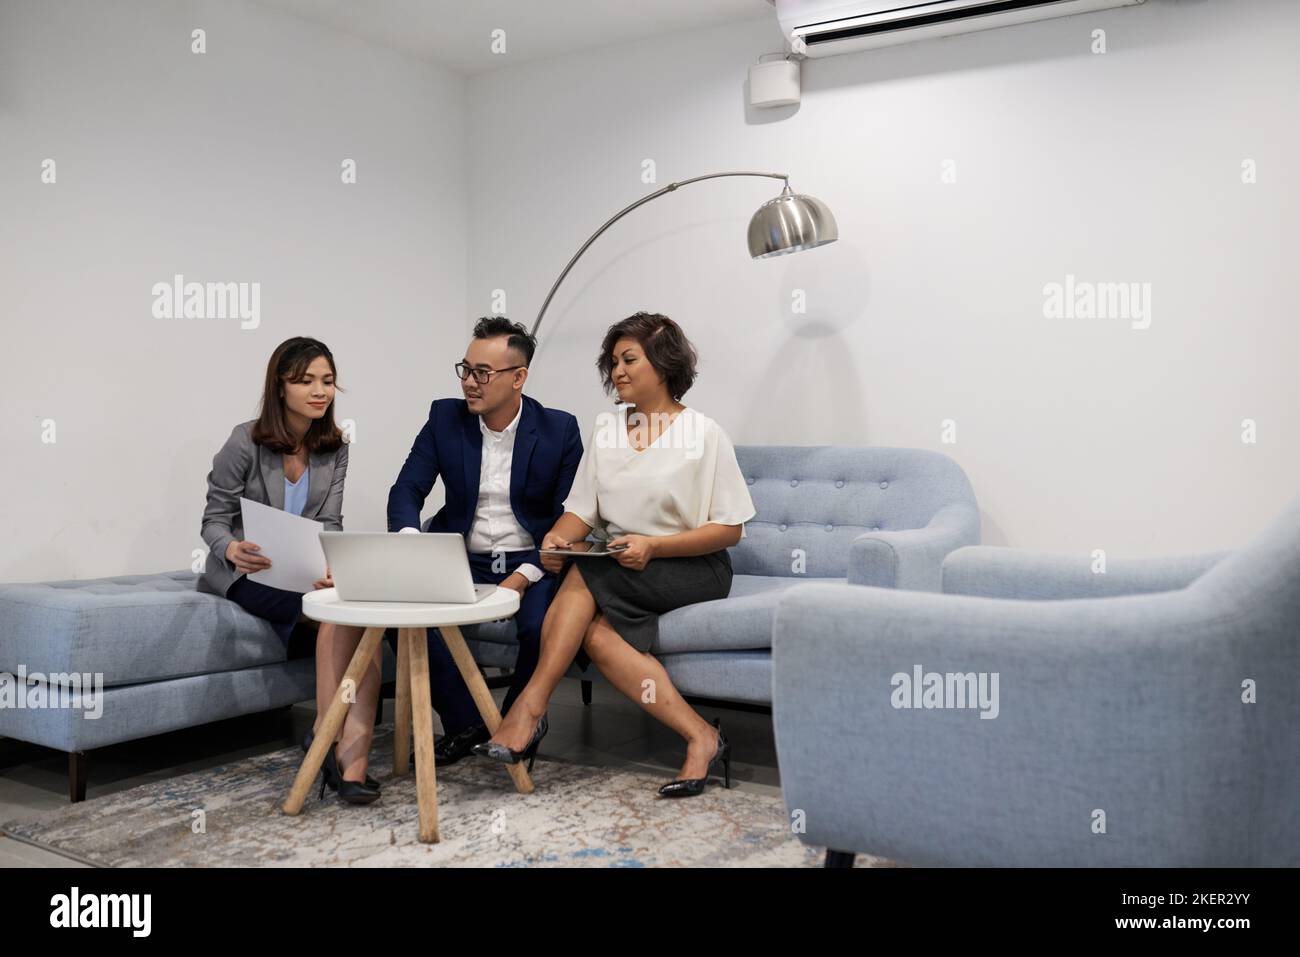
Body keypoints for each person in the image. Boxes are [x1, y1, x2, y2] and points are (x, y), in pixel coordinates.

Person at [475, 312, 756, 797]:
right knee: (599, 637)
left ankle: (528, 711)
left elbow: (729, 529)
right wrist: (557, 541)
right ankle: (702, 737)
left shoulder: (704, 434)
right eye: (613, 362)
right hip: (624, 563)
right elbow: (580, 514)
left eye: (629, 360)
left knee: (585, 578)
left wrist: (656, 546)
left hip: (691, 565)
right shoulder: (607, 430)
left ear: (664, 365)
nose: (617, 371)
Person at [386, 316, 583, 765]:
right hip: (459, 554)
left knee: (538, 626)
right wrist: (411, 538)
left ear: (519, 378)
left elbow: (570, 518)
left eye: (483, 373)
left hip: (532, 557)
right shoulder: (444, 418)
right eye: (465, 369)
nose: (469, 383)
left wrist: (525, 572)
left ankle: (516, 724)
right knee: (402, 616)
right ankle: (467, 721)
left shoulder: (559, 430)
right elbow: (407, 490)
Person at [198, 336, 382, 805]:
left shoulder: (334, 447)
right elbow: (213, 520)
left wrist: (331, 568)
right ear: (281, 387)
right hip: (250, 574)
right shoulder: (245, 440)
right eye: (305, 381)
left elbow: (331, 524)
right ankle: (334, 745)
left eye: (327, 381)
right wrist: (232, 548)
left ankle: (342, 751)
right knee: (336, 617)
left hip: (305, 574)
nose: (320, 391)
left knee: (366, 621)